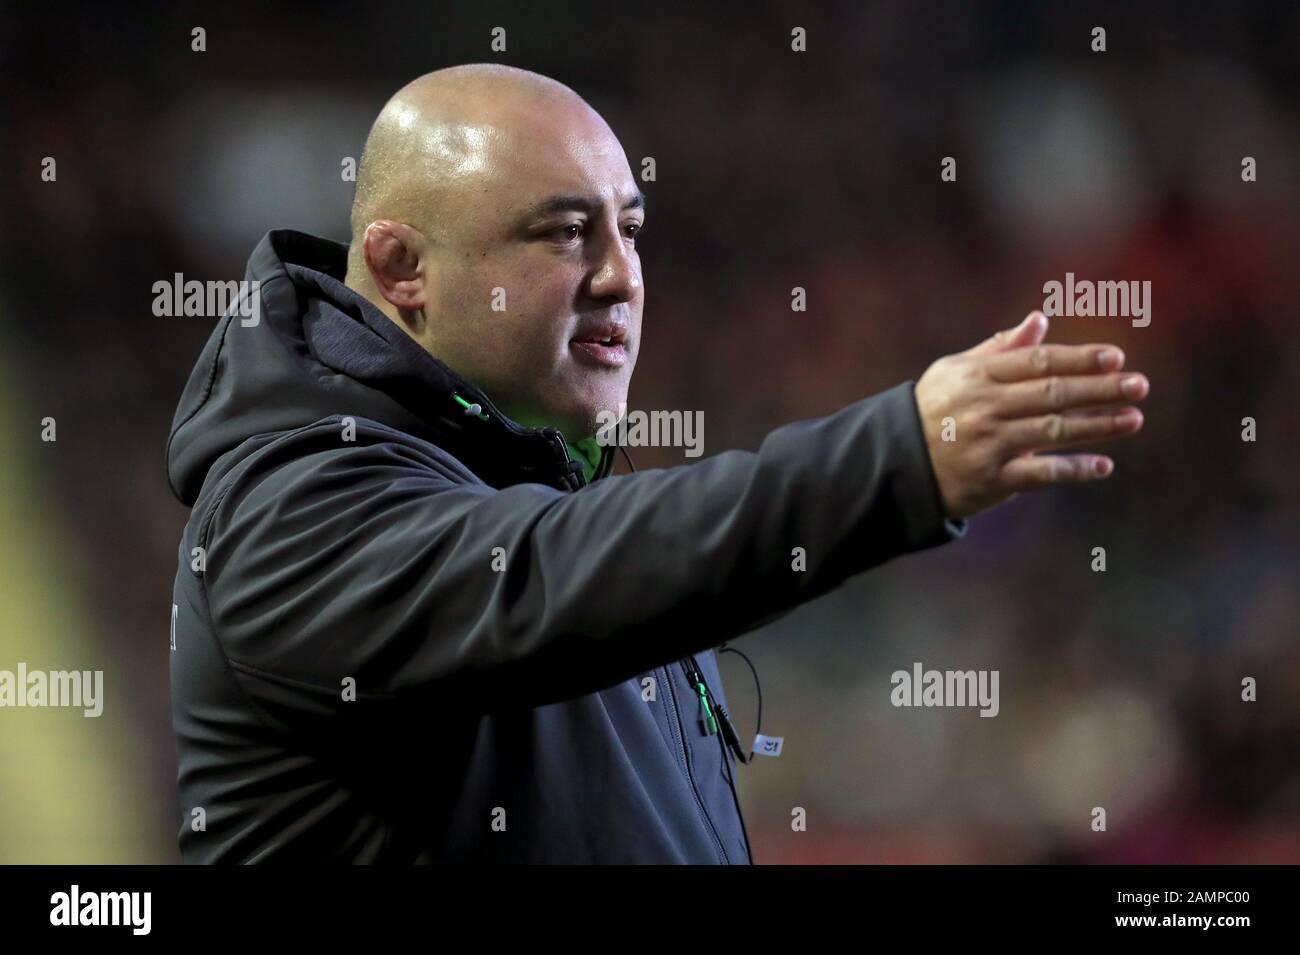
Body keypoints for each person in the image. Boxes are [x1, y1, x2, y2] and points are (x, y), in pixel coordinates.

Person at [166, 64, 1149, 863]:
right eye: (562, 232)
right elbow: (547, 570)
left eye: (629, 228)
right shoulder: (289, 509)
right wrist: (898, 458)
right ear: (401, 270)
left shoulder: (559, 487)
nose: (619, 276)